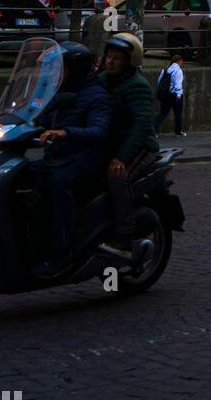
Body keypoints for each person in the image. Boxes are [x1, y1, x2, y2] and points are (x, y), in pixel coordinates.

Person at [34, 43, 112, 277]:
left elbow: (99, 131)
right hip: (59, 156)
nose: (55, 74)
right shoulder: (57, 92)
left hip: (85, 158)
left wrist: (66, 132)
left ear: (75, 69)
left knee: (59, 183)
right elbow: (40, 116)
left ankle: (63, 251)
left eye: (61, 68)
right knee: (20, 174)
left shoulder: (97, 96)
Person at [97, 34, 159, 258]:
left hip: (138, 148)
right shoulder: (102, 80)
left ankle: (124, 237)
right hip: (109, 144)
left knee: (116, 177)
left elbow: (142, 125)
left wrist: (121, 158)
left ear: (129, 62)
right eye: (109, 57)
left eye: (117, 58)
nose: (110, 62)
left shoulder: (137, 86)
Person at [154, 53, 185, 136]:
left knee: (162, 113)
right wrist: (178, 94)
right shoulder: (178, 71)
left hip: (166, 95)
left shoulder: (165, 69)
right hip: (175, 95)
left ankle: (153, 130)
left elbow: (159, 81)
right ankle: (178, 131)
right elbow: (178, 84)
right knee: (178, 114)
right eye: (182, 61)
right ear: (180, 61)